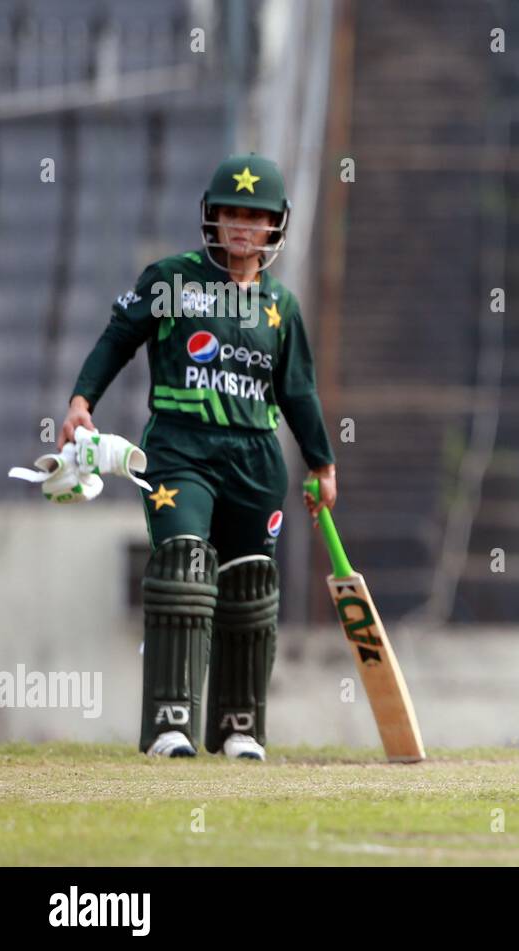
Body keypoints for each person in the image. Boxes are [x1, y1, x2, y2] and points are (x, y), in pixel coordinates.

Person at [62, 153, 337, 759]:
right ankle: (170, 723)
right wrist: (82, 401)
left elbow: (297, 392)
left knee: (248, 586)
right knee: (183, 565)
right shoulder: (171, 281)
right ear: (211, 216)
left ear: (274, 227)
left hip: (256, 459)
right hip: (181, 449)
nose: (242, 227)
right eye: (232, 213)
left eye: (256, 216)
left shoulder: (281, 308)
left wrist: (321, 464)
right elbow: (117, 340)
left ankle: (240, 727)